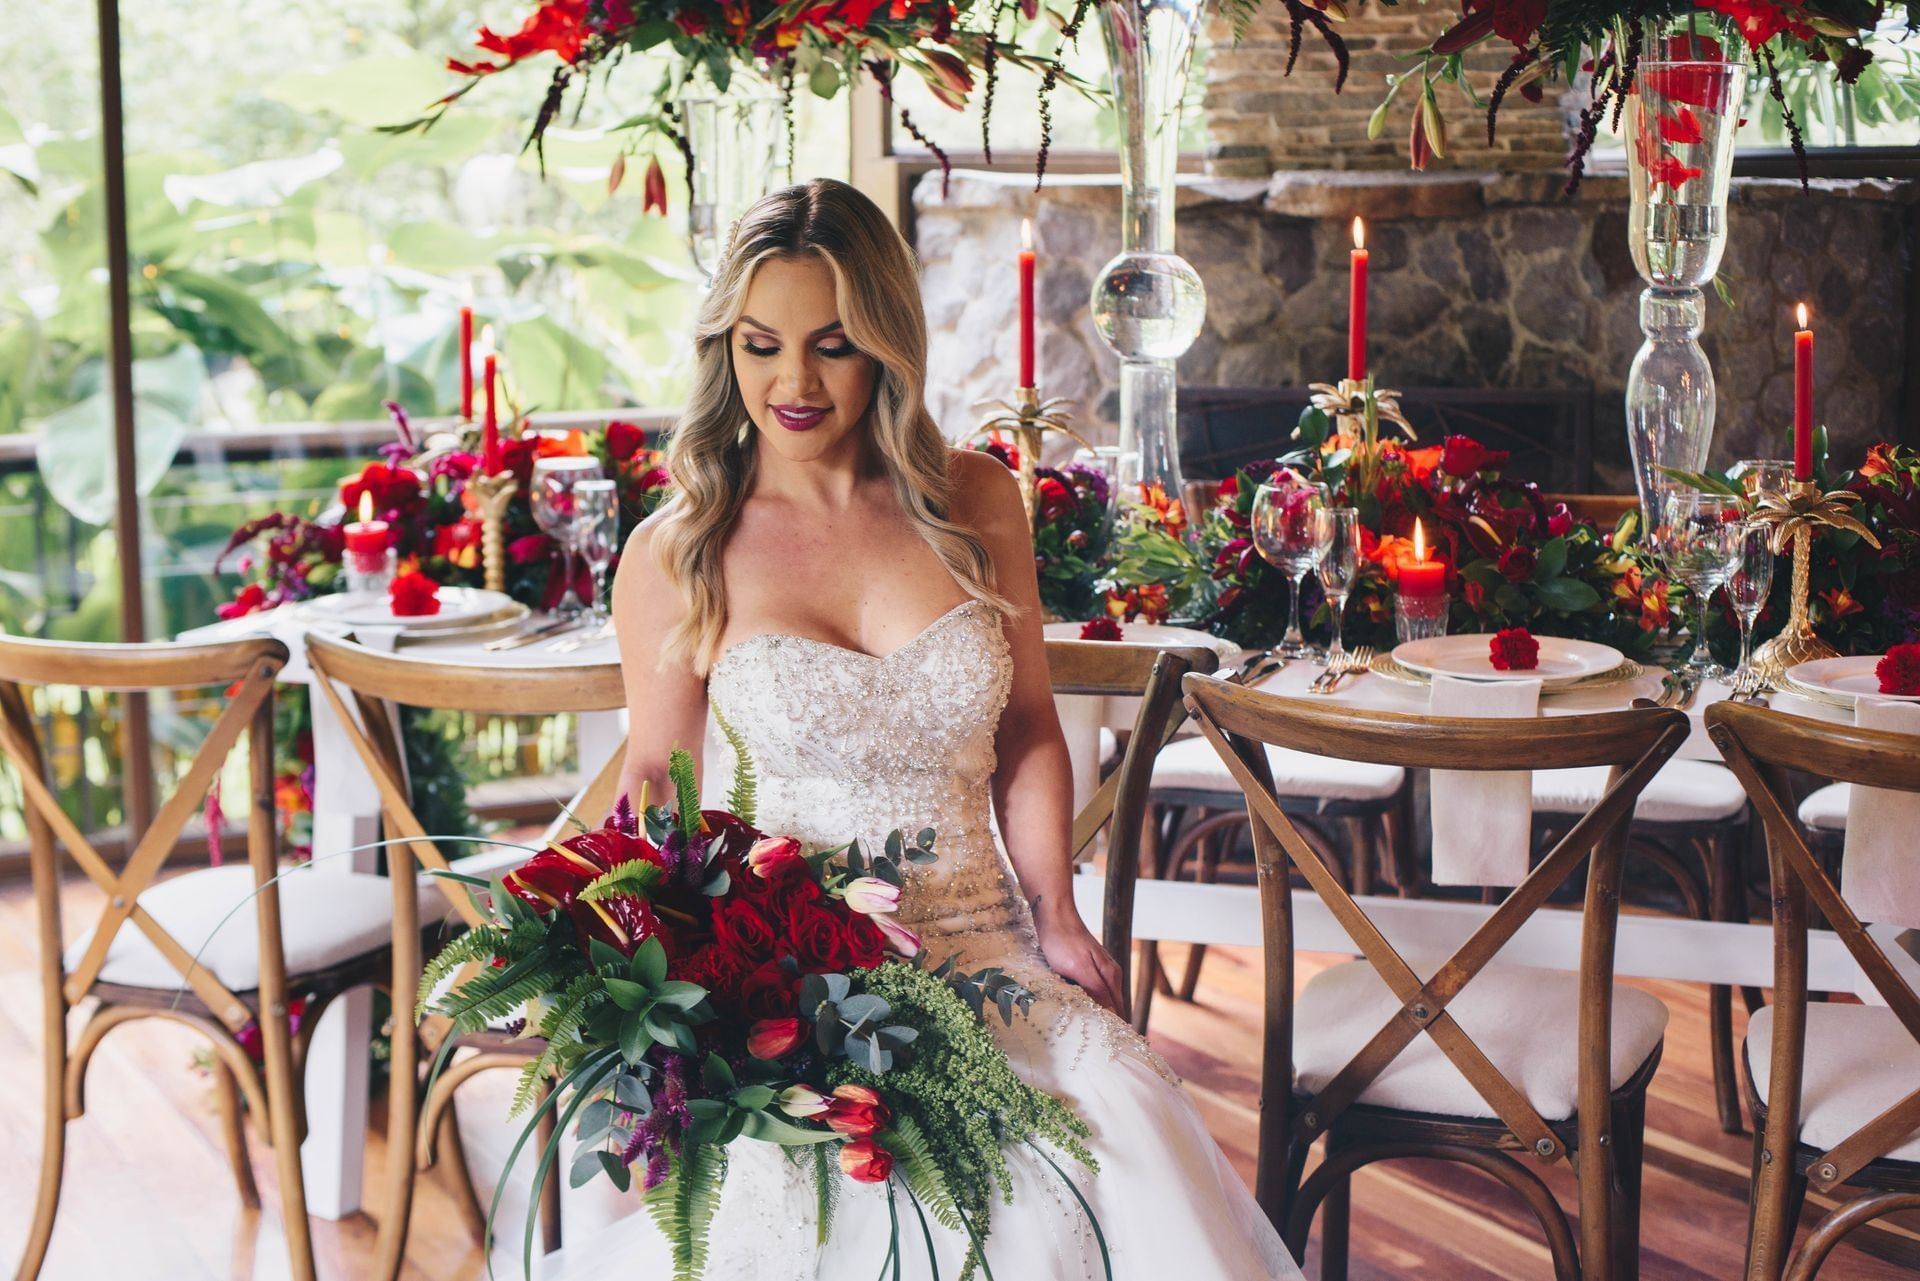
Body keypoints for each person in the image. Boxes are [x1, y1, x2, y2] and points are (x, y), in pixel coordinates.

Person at [558, 177, 1299, 1280]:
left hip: (992, 946)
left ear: (889, 347)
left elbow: (1031, 728)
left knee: (1102, 1152)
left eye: (834, 344)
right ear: (727, 348)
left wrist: (1057, 912)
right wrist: (677, 996)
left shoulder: (975, 500)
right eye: (761, 346)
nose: (794, 382)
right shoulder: (680, 551)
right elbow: (662, 804)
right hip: (800, 989)